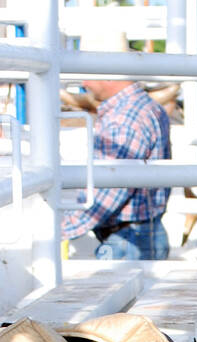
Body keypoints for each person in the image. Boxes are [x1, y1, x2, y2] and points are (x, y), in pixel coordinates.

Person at [60, 77, 172, 260]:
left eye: (89, 75)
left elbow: (113, 188)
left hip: (127, 240)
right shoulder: (146, 106)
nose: (84, 83)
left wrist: (64, 229)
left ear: (108, 75)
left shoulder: (123, 118)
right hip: (142, 232)